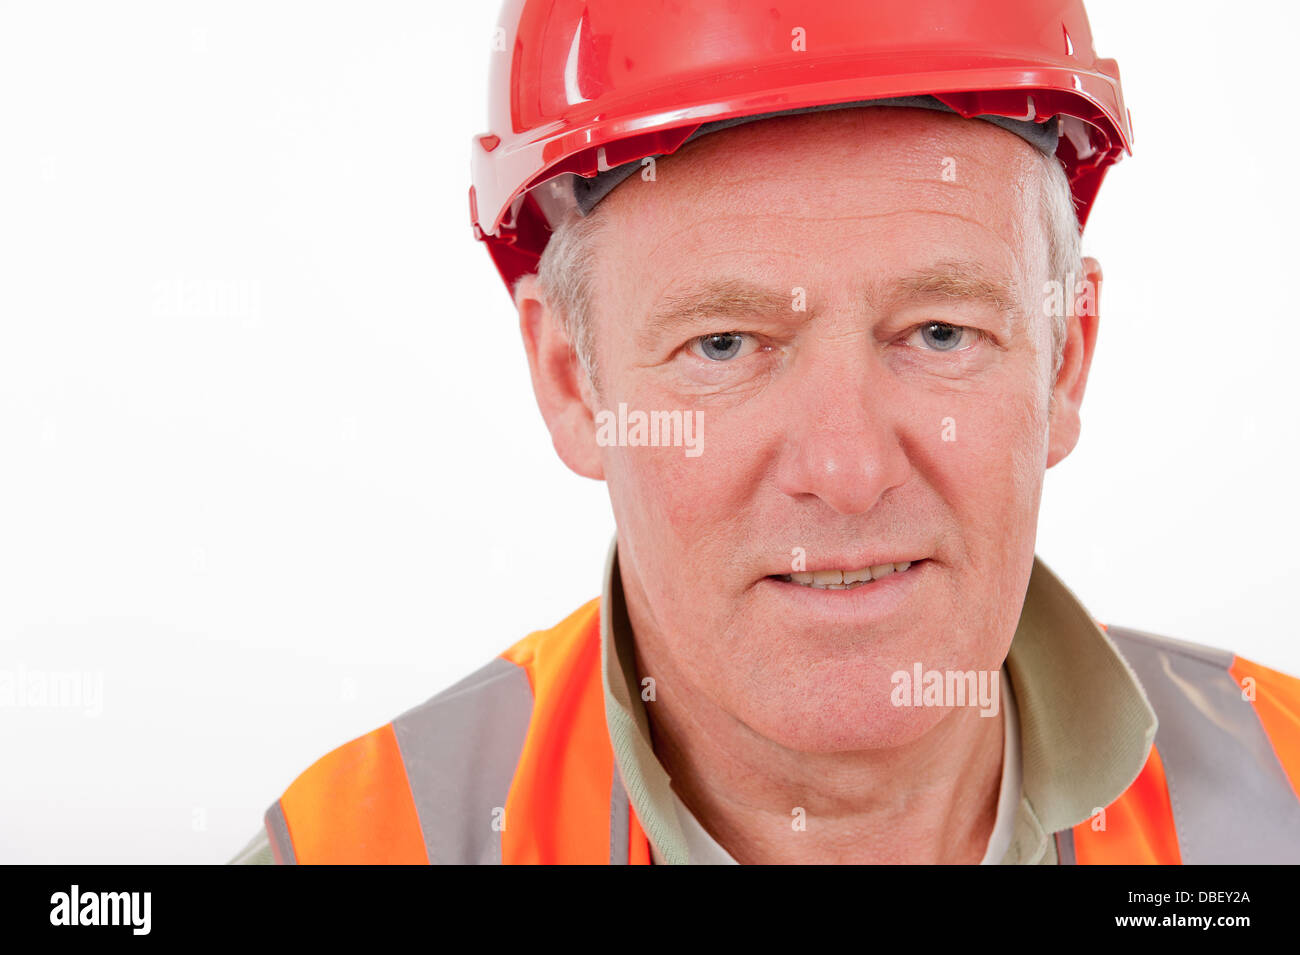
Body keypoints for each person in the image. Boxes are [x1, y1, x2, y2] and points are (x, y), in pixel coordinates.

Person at [231, 0, 1300, 865]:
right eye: (725, 346)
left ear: (1064, 358)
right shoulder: (362, 847)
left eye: (938, 331)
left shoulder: (1282, 786)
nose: (845, 470)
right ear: (570, 379)